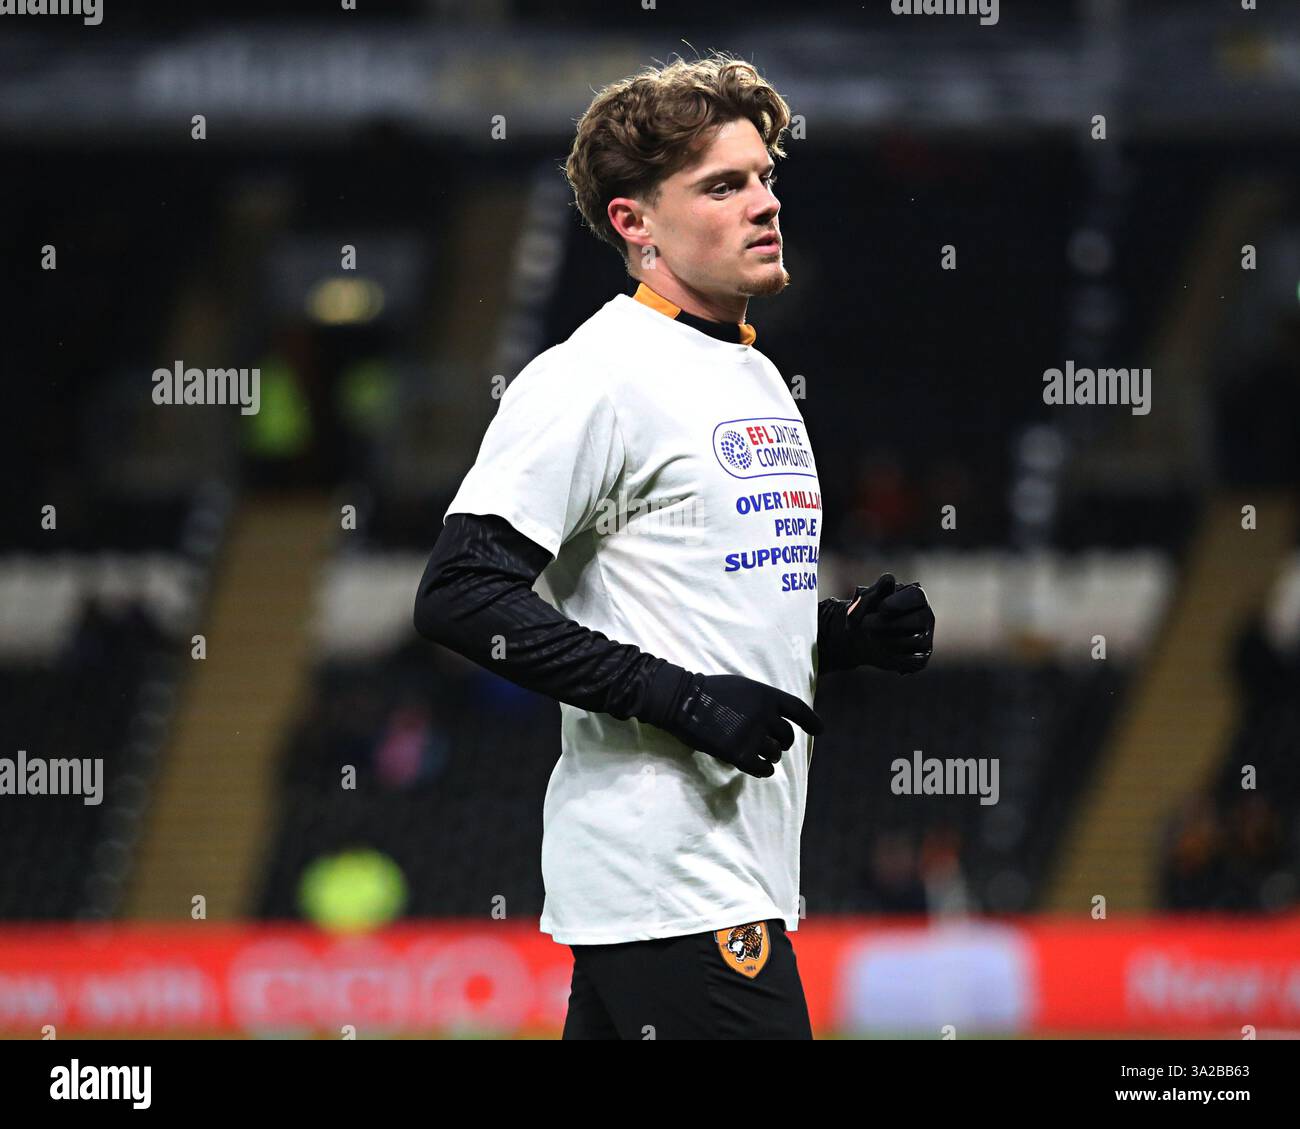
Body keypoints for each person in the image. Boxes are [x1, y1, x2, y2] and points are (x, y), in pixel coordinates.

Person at [413, 52, 935, 1039]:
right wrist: (683, 703)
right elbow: (459, 594)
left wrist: (834, 636)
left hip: (709, 876)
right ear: (633, 223)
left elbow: (697, 609)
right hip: (674, 876)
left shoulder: (755, 374)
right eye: (722, 185)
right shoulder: (593, 377)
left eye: (765, 176)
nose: (764, 203)